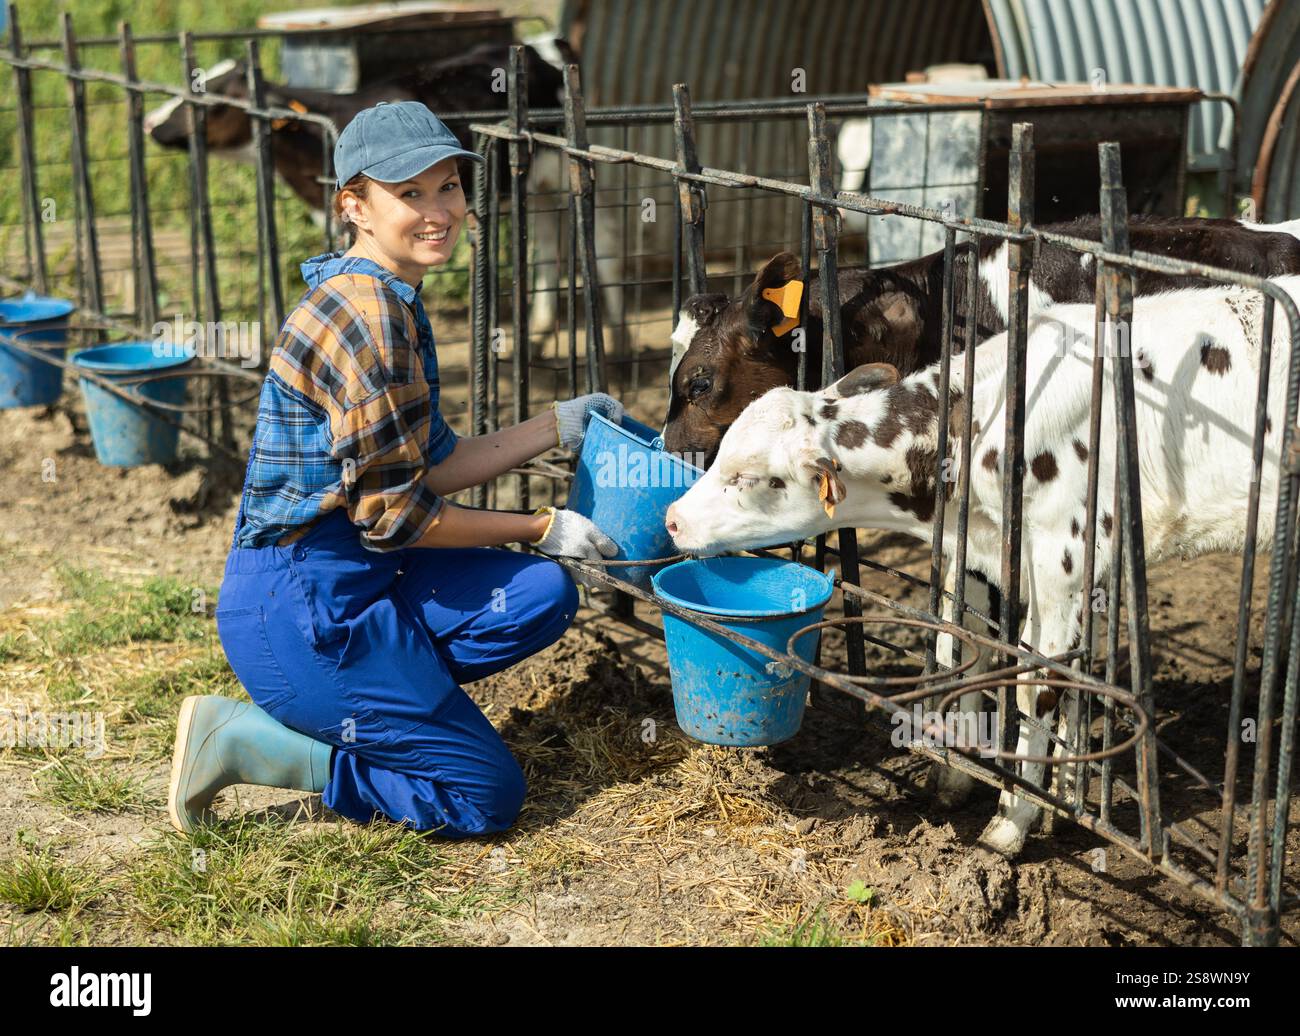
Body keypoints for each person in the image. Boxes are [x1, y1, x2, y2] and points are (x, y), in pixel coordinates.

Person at [167, 101, 623, 837]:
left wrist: (558, 423)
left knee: (540, 592)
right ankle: (260, 742)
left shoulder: (385, 297)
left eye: (447, 187)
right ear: (355, 205)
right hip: (305, 605)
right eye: (409, 194)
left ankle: (384, 706)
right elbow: (396, 516)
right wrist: (543, 523)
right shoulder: (370, 318)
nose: (438, 210)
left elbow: (433, 464)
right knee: (487, 796)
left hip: (351, 580)